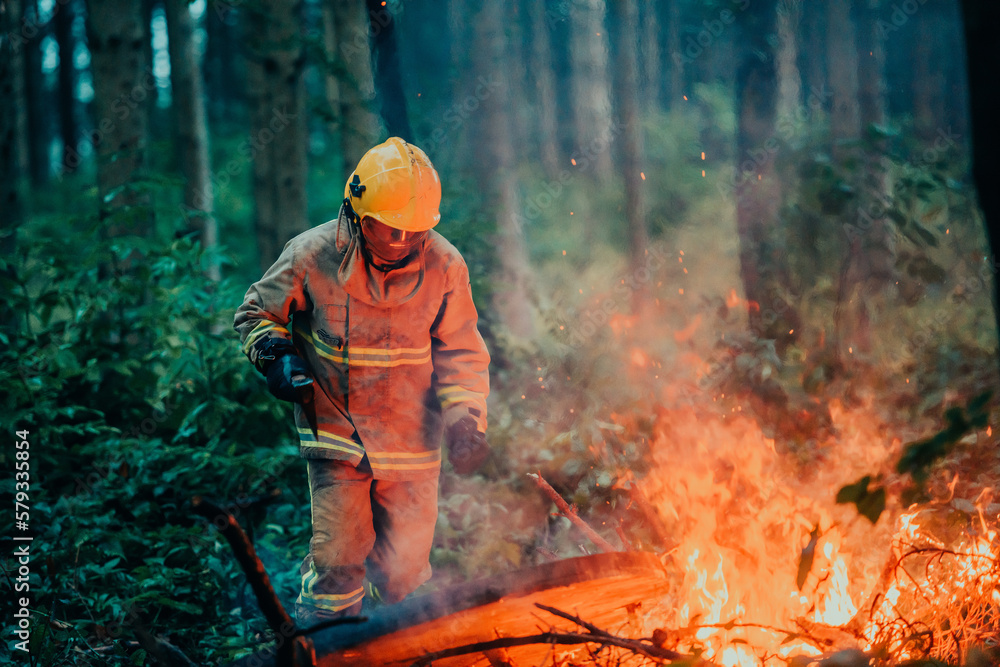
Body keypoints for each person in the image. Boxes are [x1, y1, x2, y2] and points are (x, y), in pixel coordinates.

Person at [234, 137, 491, 625]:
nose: (399, 243)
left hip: (413, 447)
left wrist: (465, 422)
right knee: (338, 562)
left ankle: (408, 655)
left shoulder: (445, 265)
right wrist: (275, 356)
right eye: (386, 229)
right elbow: (255, 313)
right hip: (337, 436)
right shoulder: (311, 254)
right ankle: (327, 647)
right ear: (355, 212)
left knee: (406, 576)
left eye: (411, 234)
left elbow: (460, 354)